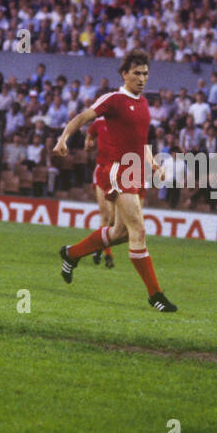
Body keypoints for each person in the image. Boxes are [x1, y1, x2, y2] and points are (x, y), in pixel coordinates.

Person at [55, 52, 177, 312]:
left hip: (135, 171)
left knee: (120, 233)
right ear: (124, 74)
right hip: (118, 171)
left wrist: (153, 163)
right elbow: (83, 117)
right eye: (137, 73)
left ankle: (72, 253)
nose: (142, 78)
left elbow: (141, 141)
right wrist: (63, 138)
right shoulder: (113, 99)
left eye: (145, 73)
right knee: (139, 231)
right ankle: (155, 295)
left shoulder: (143, 104)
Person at [84, 118, 115, 269]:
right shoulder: (99, 123)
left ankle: (97, 248)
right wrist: (88, 143)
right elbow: (89, 136)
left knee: (113, 220)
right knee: (106, 215)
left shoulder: (125, 125)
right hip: (102, 171)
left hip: (118, 172)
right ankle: (108, 254)